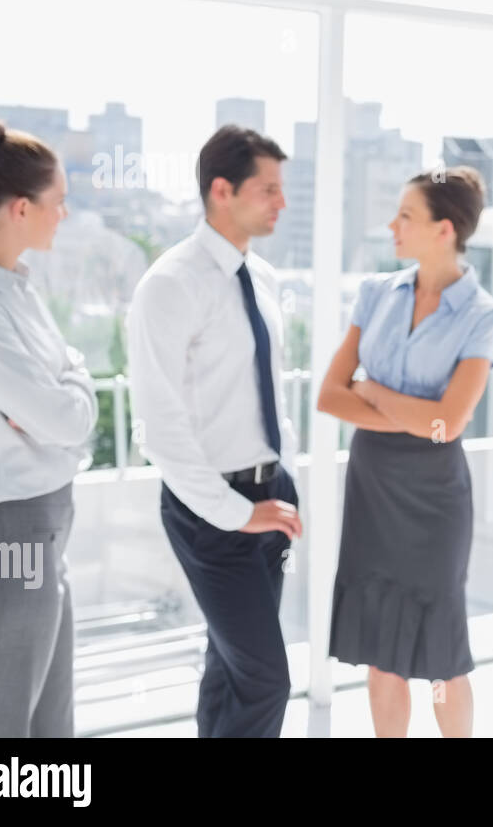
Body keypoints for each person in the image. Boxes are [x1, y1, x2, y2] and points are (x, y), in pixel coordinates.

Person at [126, 124, 302, 738]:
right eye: (269, 189)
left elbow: (267, 392)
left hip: (269, 496)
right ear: (222, 190)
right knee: (267, 679)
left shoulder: (265, 279)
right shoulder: (171, 284)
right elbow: (158, 424)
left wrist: (282, 482)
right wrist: (233, 511)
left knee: (229, 667)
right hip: (210, 510)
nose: (283, 202)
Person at [317, 165, 493, 738]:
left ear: (444, 229)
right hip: (372, 485)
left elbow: (448, 423)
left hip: (434, 496)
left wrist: (371, 389)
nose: (391, 225)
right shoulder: (375, 295)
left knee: (442, 650)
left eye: (405, 215)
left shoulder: (481, 314)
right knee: (381, 646)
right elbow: (328, 396)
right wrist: (411, 414)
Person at [0, 120, 97, 737]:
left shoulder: (15, 288)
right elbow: (64, 416)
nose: (65, 213)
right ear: (23, 208)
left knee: (48, 733)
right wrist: (64, 393)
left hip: (42, 531)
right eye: (59, 201)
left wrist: (66, 387)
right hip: (1, 536)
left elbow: (66, 398)